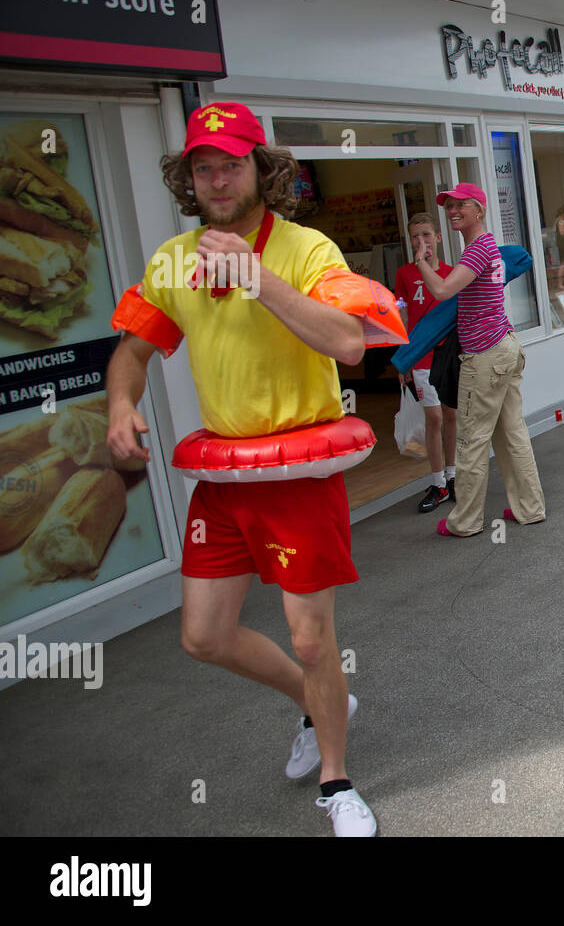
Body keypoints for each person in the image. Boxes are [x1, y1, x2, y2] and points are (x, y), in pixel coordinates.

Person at [105, 102, 382, 835]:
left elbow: (350, 342)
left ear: (263, 169)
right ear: (187, 179)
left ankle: (337, 779)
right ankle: (321, 699)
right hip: (225, 480)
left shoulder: (306, 248)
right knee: (203, 636)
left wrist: (257, 277)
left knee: (314, 638)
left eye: (232, 163)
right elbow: (132, 349)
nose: (217, 178)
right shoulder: (171, 260)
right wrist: (119, 405)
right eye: (203, 167)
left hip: (298, 473)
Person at [417, 183, 545, 537]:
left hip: (485, 356)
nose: (453, 211)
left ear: (479, 210)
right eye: (449, 206)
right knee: (511, 433)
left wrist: (422, 264)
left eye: (461, 205)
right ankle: (529, 507)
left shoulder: (477, 249)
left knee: (471, 440)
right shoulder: (487, 248)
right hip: (505, 346)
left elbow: (442, 291)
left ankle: (466, 521)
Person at [393, 212, 457, 512]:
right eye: (415, 237)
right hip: (421, 356)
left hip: (449, 355)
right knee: (434, 419)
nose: (422, 242)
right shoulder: (404, 274)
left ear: (439, 237)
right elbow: (401, 314)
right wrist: (403, 357)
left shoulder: (453, 271)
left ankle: (454, 476)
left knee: (452, 416)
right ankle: (438, 481)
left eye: (427, 235)